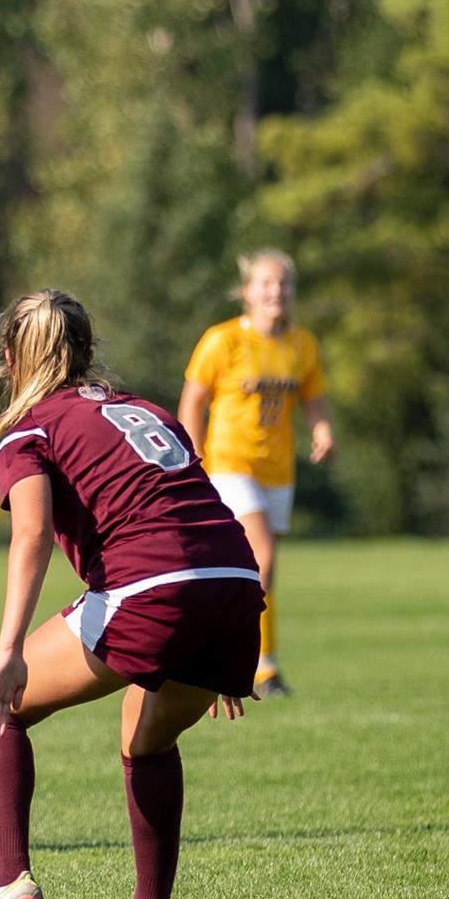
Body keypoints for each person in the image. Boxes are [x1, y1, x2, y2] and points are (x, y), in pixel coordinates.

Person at [0, 289, 263, 899]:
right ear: (88, 351)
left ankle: (5, 882)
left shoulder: (32, 427)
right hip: (234, 582)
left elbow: (31, 534)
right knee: (145, 735)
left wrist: (8, 654)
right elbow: (193, 507)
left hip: (155, 588)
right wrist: (221, 644)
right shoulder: (147, 410)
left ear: (9, 357)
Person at [178, 250, 335, 698]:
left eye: (284, 283)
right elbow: (193, 401)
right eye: (266, 283)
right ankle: (240, 660)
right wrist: (194, 458)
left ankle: (264, 664)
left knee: (262, 572)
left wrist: (322, 431)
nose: (276, 292)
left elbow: (314, 398)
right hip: (229, 463)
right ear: (246, 291)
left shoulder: (302, 344)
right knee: (260, 559)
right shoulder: (222, 340)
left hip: (277, 469)